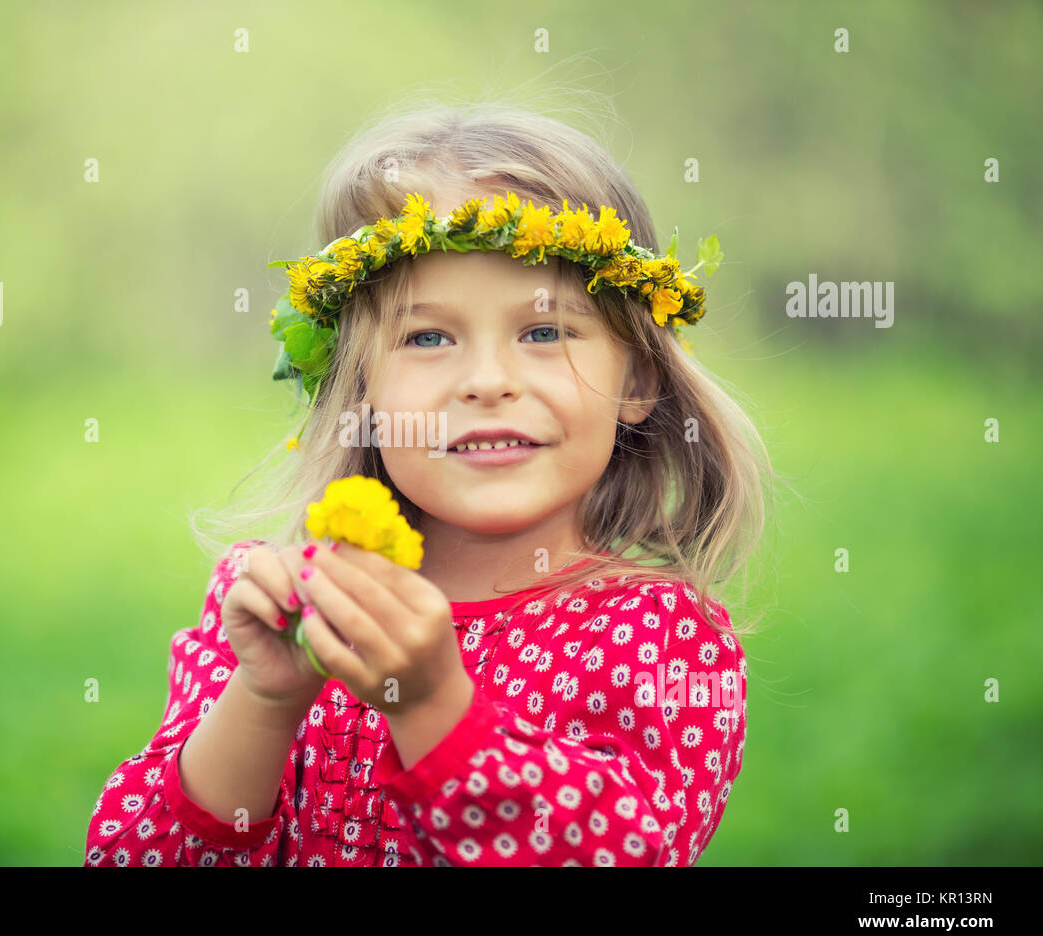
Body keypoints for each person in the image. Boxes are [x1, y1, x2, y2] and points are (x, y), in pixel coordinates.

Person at [84, 100, 774, 866]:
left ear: (637, 379)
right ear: (361, 390)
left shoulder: (659, 637)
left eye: (545, 331)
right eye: (429, 336)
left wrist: (435, 706)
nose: (486, 381)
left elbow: (622, 850)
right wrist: (267, 699)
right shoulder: (286, 605)